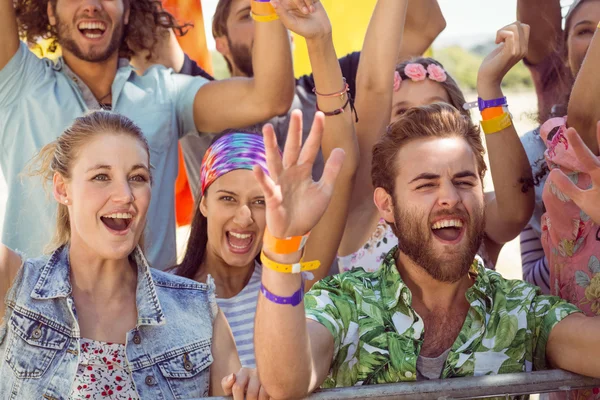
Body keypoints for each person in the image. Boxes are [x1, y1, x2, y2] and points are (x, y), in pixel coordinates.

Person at [251, 103, 600, 398]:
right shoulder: (346, 303)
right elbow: (285, 381)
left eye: (464, 182)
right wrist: (283, 246)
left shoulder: (522, 310)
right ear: (386, 205)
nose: (449, 196)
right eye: (426, 184)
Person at [1, 0, 300, 270]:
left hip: (148, 322)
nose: (91, 5)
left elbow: (269, 98)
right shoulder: (19, 83)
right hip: (35, 319)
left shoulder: (164, 93)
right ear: (51, 11)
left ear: (128, 11)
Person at [0, 111, 269, 400]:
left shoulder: (201, 311)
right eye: (101, 176)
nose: (125, 194)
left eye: (137, 178)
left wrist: (250, 388)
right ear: (62, 188)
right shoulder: (13, 281)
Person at [174, 0, 359, 368]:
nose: (244, 216)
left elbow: (344, 160)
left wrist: (320, 37)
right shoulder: (162, 293)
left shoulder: (293, 279)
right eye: (227, 198)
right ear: (204, 202)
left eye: (260, 202)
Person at [165, 0, 446, 199]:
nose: (269, 21)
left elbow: (422, 29)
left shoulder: (332, 83)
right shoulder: (194, 98)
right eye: (251, 14)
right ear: (220, 41)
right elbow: (151, 26)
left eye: (276, 10)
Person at [338, 19, 534, 272]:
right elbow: (372, 86)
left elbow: (516, 213)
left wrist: (490, 86)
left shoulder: (471, 207)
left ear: (461, 123)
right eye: (403, 111)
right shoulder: (359, 207)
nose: (420, 117)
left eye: (435, 107)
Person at [518, 0, 600, 294]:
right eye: (584, 31)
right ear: (563, 50)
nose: (595, 45)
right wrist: (569, 239)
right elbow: (531, 280)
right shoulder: (535, 149)